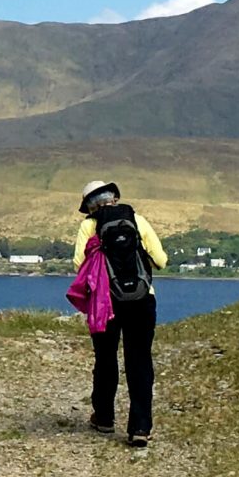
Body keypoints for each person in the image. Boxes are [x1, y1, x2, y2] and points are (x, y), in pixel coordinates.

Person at [76, 178, 166, 448]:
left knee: (105, 358)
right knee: (139, 361)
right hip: (141, 300)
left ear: (89, 205)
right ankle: (140, 427)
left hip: (105, 302)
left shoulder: (89, 226)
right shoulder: (137, 220)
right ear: (114, 197)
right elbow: (161, 260)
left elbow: (79, 264)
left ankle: (104, 417)